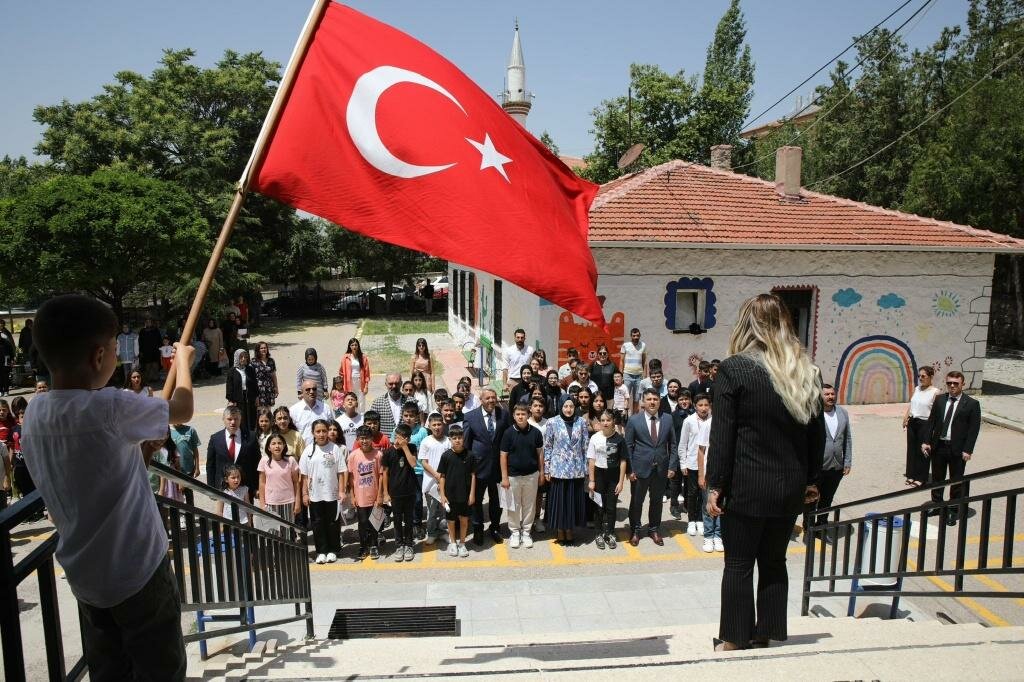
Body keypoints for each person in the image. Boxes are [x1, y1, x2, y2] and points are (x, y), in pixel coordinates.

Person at [22, 294, 194, 680]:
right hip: (138, 571)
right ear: (98, 357)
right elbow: (181, 409)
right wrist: (181, 362)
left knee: (109, 668)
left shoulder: (35, 413)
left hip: (87, 577)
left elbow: (97, 476)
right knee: (159, 667)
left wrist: (140, 456)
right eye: (116, 349)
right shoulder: (110, 407)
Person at [706, 293, 825, 651]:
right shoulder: (806, 370)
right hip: (789, 487)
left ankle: (735, 638)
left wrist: (715, 485)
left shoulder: (734, 369)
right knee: (774, 561)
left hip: (746, 486)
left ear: (747, 325)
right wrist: (811, 481)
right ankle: (767, 631)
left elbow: (722, 436)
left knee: (739, 563)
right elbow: (817, 434)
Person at [922, 370, 981, 526]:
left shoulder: (972, 404)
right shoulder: (940, 400)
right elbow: (931, 422)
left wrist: (968, 450)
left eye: (956, 383)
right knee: (937, 478)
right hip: (939, 446)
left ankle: (953, 510)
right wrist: (926, 441)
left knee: (956, 481)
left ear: (963, 384)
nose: (952, 386)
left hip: (957, 449)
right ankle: (936, 505)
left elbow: (973, 430)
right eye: (949, 383)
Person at [624, 389, 678, 546]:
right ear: (643, 402)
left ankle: (654, 529)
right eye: (649, 399)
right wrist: (630, 469)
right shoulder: (634, 420)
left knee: (656, 501)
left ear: (659, 401)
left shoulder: (667, 419)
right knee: (637, 501)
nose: (652, 402)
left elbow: (673, 444)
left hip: (661, 469)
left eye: (655, 399)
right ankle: (635, 530)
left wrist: (672, 466)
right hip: (640, 469)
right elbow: (628, 446)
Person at [462, 387, 510, 545]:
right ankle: (477, 528)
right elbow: (467, 444)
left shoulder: (504, 415)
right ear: (481, 400)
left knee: (496, 500)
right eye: (487, 398)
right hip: (478, 467)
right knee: (476, 500)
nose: (491, 401)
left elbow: (507, 439)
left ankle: (495, 528)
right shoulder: (470, 416)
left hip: (498, 467)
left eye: (493, 397)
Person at [543, 395, 589, 546]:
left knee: (571, 503)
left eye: (571, 406)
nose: (568, 409)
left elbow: (585, 446)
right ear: (561, 407)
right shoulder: (552, 422)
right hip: (558, 470)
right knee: (560, 503)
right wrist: (547, 469)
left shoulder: (581, 422)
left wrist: (587, 469)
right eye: (565, 406)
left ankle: (569, 530)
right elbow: (548, 446)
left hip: (576, 470)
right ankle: (560, 531)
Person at [499, 403, 544, 549]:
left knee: (529, 505)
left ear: (528, 415)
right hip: (513, 477)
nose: (520, 416)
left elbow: (540, 455)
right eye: (518, 414)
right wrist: (504, 477)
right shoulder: (508, 433)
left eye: (523, 414)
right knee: (513, 506)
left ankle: (526, 532)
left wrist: (541, 473)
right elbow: (503, 456)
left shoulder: (536, 433)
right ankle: (515, 532)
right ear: (513, 416)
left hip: (531, 475)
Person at [300, 420, 344, 563]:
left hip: (331, 493)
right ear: (313, 433)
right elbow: (304, 475)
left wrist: (342, 491)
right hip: (315, 494)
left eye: (324, 431)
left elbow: (341, 471)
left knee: (332, 522)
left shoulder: (335, 449)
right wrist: (305, 493)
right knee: (317, 523)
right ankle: (321, 551)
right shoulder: (308, 451)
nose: (322, 434)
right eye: (318, 431)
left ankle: (333, 550)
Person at [812, 384, 852, 538]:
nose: (830, 397)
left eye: (832, 394)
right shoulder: (814, 413)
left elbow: (847, 438)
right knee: (811, 500)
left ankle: (821, 528)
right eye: (827, 394)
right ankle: (809, 529)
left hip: (836, 466)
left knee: (827, 499)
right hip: (817, 466)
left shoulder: (842, 413)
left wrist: (847, 461)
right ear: (820, 396)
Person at [587, 409, 627, 550]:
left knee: (611, 507)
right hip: (599, 476)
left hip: (613, 477)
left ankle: (610, 533)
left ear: (613, 422)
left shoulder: (619, 439)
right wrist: (591, 480)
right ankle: (598, 533)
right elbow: (591, 460)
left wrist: (621, 482)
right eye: (602, 420)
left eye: (608, 420)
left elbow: (623, 461)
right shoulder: (595, 438)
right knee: (599, 506)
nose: (605, 423)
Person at [382, 423, 419, 561]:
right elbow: (385, 473)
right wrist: (385, 493)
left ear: (408, 439)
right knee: (396, 520)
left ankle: (409, 544)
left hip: (409, 491)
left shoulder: (411, 448)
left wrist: (405, 447)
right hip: (395, 493)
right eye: (396, 436)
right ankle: (399, 545)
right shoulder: (388, 452)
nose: (397, 440)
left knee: (408, 520)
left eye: (401, 438)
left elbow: (414, 463)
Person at [437, 424, 475, 558]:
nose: (457, 440)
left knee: (464, 520)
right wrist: (442, 495)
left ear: (463, 438)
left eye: (460, 437)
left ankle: (463, 543)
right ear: (450, 440)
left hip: (465, 495)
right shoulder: (446, 456)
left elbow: (473, 475)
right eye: (454, 438)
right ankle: (453, 543)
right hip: (450, 496)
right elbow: (442, 477)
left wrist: (472, 494)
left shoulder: (470, 455)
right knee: (451, 521)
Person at [206, 405, 260, 496]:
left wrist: (257, 487)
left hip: (246, 489)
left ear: (240, 419)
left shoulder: (251, 437)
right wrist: (211, 489)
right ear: (223, 419)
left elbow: (257, 463)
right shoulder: (215, 439)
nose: (233, 422)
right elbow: (211, 466)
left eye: (236, 419)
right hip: (223, 489)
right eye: (229, 419)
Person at [679, 394, 712, 538]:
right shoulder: (689, 421)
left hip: (708, 463)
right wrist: (683, 463)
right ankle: (691, 520)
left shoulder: (713, 421)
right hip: (692, 463)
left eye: (706, 405)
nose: (703, 408)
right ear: (695, 406)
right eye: (700, 405)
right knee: (692, 493)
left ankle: (701, 520)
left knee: (704, 493)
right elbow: (683, 444)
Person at [349, 425, 384, 560]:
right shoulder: (353, 456)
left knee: (375, 522)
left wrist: (380, 494)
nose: (364, 441)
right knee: (362, 523)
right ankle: (364, 546)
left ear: (372, 439)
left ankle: (374, 545)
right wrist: (352, 496)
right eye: (361, 438)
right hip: (360, 496)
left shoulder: (378, 455)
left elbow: (381, 475)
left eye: (367, 438)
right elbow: (351, 478)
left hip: (374, 495)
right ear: (357, 439)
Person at [903, 366, 940, 487]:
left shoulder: (935, 392)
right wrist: (906, 417)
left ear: (931, 377)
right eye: (919, 376)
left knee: (923, 450)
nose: (920, 378)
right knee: (912, 449)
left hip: (925, 423)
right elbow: (912, 404)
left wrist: (933, 427)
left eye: (923, 376)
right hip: (913, 421)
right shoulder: (917, 389)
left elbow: (935, 411)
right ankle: (911, 474)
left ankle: (921, 477)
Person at [419, 412, 450, 544]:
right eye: (434, 425)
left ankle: (443, 532)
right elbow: (423, 462)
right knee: (432, 511)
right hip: (430, 482)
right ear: (429, 426)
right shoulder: (426, 441)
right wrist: (436, 474)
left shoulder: (448, 441)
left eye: (439, 424)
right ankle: (431, 532)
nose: (437, 427)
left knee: (444, 510)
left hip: (445, 482)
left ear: (443, 425)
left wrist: (443, 477)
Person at [290, 379, 333, 446]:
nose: (311, 392)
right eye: (308, 389)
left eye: (314, 389)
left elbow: (331, 429)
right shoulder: (294, 411)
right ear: (302, 392)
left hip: (323, 450)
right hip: (302, 452)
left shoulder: (325, 408)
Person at [225, 348, 258, 432]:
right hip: (238, 399)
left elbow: (255, 384)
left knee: (251, 417)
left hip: (250, 397)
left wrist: (257, 397)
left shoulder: (250, 369)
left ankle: (251, 435)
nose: (243, 359)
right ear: (236, 358)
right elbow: (229, 388)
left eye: (245, 357)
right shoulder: (232, 371)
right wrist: (231, 400)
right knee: (239, 418)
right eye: (241, 357)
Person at [339, 337, 371, 411]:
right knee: (351, 399)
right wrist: (342, 384)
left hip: (360, 382)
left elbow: (367, 373)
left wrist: (366, 386)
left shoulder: (363, 357)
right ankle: (352, 415)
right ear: (349, 346)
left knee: (361, 399)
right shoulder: (345, 357)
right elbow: (341, 372)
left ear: (358, 346)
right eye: (352, 345)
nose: (354, 347)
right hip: (349, 382)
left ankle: (361, 416)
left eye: (356, 345)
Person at [620, 328, 647, 413]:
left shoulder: (643, 345)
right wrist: (621, 375)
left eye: (637, 335)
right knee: (625, 397)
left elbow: (644, 361)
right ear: (631, 336)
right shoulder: (625, 345)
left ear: (640, 335)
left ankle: (634, 416)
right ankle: (624, 416)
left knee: (637, 398)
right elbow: (621, 360)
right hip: (627, 375)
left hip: (639, 376)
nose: (636, 337)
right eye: (634, 335)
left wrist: (645, 376)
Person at [251, 341, 279, 408]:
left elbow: (273, 375)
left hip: (269, 388)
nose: (264, 349)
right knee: (260, 410)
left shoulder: (271, 361)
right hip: (259, 389)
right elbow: (252, 378)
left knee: (268, 409)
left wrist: (276, 387)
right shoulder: (253, 362)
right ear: (258, 350)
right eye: (261, 348)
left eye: (265, 348)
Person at [138, 317, 163, 384]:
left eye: (149, 321)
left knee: (155, 364)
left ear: (151, 322)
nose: (148, 323)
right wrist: (140, 351)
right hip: (146, 350)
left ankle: (156, 377)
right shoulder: (142, 331)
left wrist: (160, 348)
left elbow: (159, 339)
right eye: (147, 321)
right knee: (147, 365)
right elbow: (140, 341)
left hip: (155, 350)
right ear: (145, 323)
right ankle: (148, 378)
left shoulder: (156, 330)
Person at [115, 323, 139, 388]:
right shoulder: (120, 336)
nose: (125, 329)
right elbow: (118, 346)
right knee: (126, 372)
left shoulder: (134, 336)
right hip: (124, 357)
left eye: (126, 327)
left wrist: (136, 354)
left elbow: (136, 345)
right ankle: (127, 385)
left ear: (129, 328)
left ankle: (134, 384)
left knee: (133, 371)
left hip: (132, 356)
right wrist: (117, 355)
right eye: (124, 327)